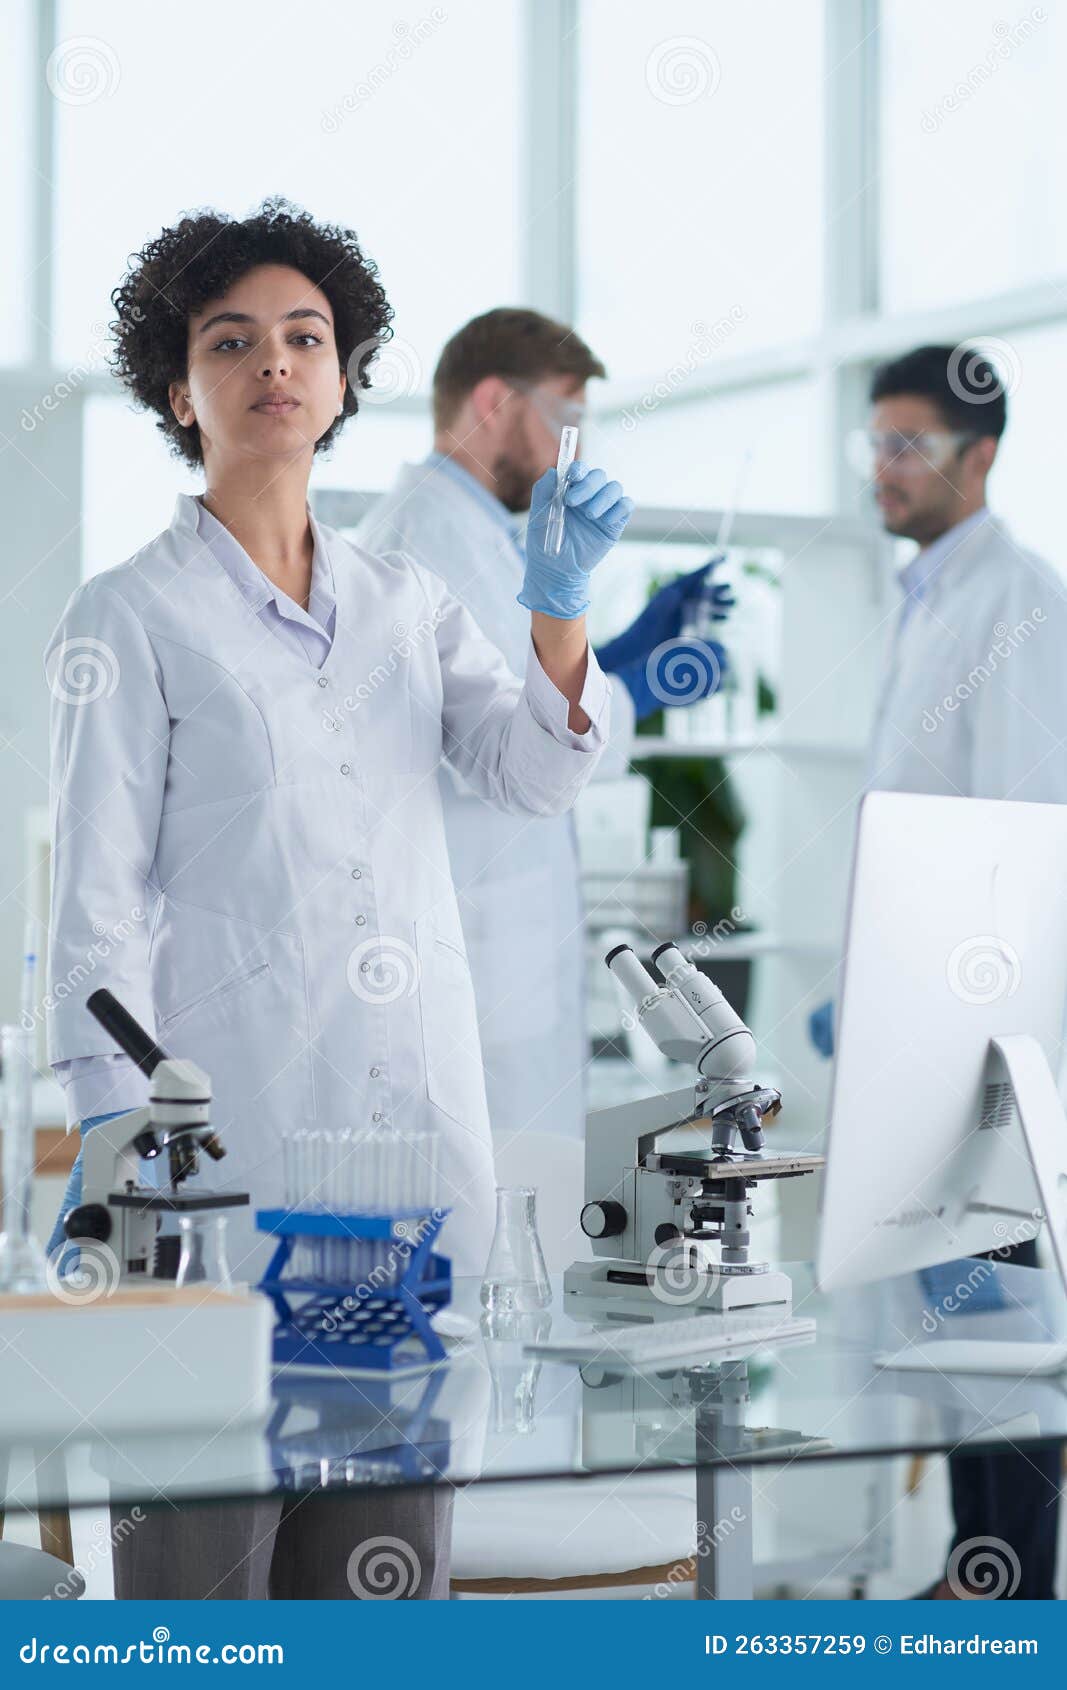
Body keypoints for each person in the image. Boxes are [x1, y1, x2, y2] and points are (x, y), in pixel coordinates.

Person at [43, 199, 632, 1598]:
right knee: (204, 1594)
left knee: (381, 1592)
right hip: (219, 1180)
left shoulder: (408, 600)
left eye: (306, 336)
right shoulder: (129, 616)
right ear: (176, 392)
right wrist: (123, 1132)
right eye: (230, 340)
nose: (274, 364)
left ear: (347, 373)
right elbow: (94, 911)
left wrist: (556, 607)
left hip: (403, 1181)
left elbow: (531, 772)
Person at [812, 343, 1067, 1598]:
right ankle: (980, 1576)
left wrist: (956, 1023)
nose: (885, 468)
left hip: (981, 1050)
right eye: (877, 444)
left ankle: (1011, 1591)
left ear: (980, 456)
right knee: (953, 1329)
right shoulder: (928, 597)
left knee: (1002, 1329)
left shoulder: (1013, 598)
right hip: (920, 1039)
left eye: (907, 445)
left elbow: (1016, 831)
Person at [357, 308, 729, 1140]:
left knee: (525, 1188)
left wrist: (635, 644)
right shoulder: (429, 535)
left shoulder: (471, 529)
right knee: (495, 1210)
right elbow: (525, 737)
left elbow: (524, 673)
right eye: (565, 419)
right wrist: (648, 682)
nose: (578, 449)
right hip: (474, 943)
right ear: (493, 401)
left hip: (502, 934)